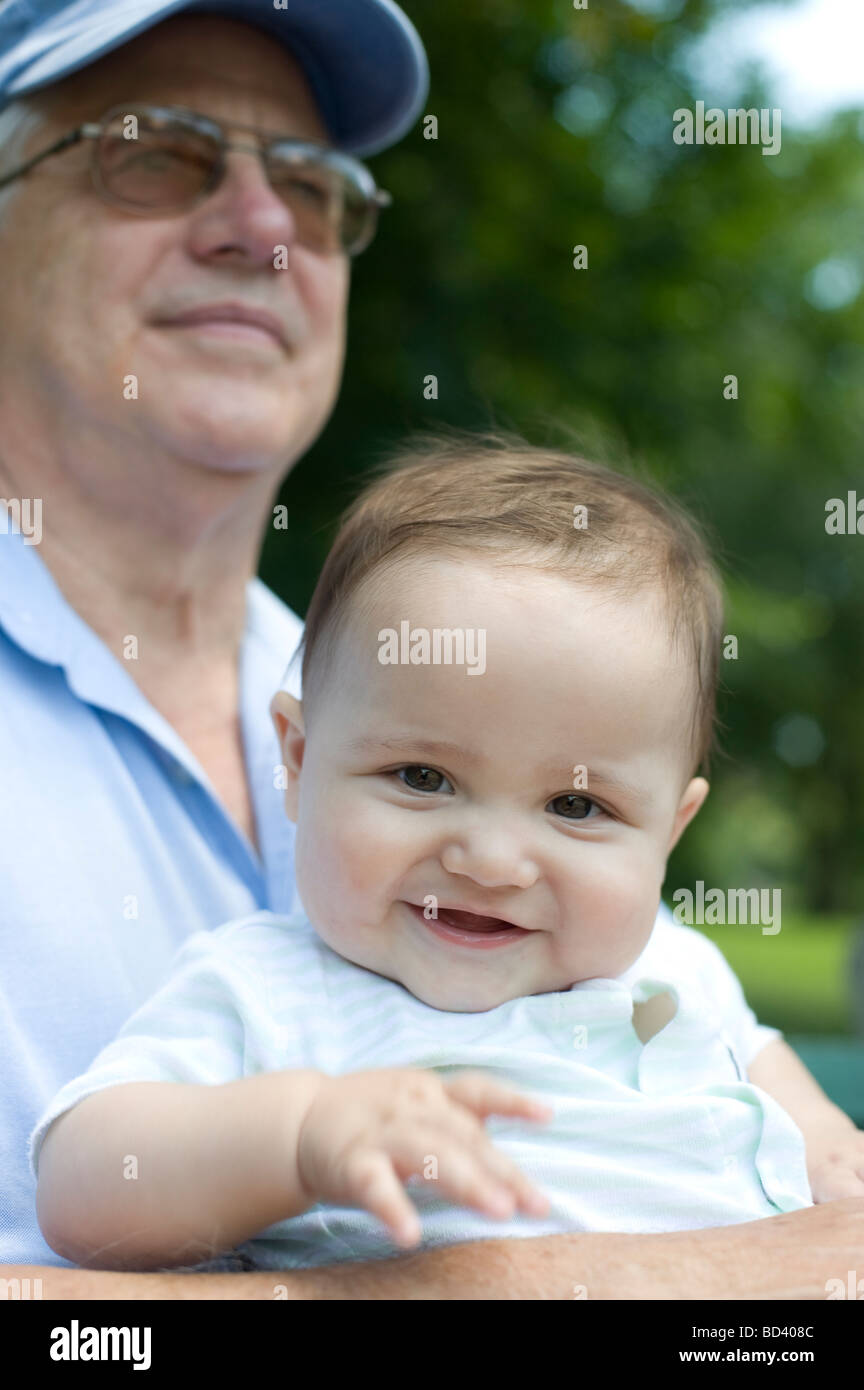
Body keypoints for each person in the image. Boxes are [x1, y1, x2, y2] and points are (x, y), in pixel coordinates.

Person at [0, 0, 862, 1300]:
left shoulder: (421, 691)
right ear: (308, 752)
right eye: (155, 148)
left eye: (312, 180)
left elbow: (840, 1202)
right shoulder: (275, 977)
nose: (265, 224)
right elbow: (98, 1187)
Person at [31, 434, 863, 1274]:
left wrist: (829, 1149)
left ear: (669, 832)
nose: (493, 860)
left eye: (576, 805)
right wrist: (299, 1137)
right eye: (422, 776)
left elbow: (758, 1055)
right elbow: (82, 1186)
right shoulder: (267, 994)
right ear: (299, 759)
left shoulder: (672, 965)